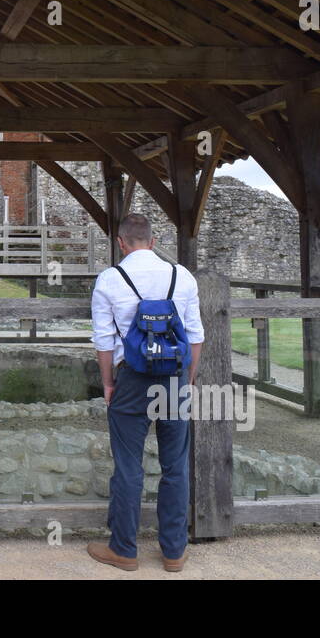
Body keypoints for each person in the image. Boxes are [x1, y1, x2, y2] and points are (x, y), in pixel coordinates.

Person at [86, 213, 203, 573]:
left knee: (128, 466)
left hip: (132, 379)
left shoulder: (110, 279)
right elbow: (195, 336)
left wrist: (108, 383)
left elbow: (104, 341)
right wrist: (188, 380)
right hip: (174, 378)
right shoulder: (181, 276)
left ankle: (124, 549)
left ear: (121, 243)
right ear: (153, 242)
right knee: (175, 465)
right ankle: (174, 551)